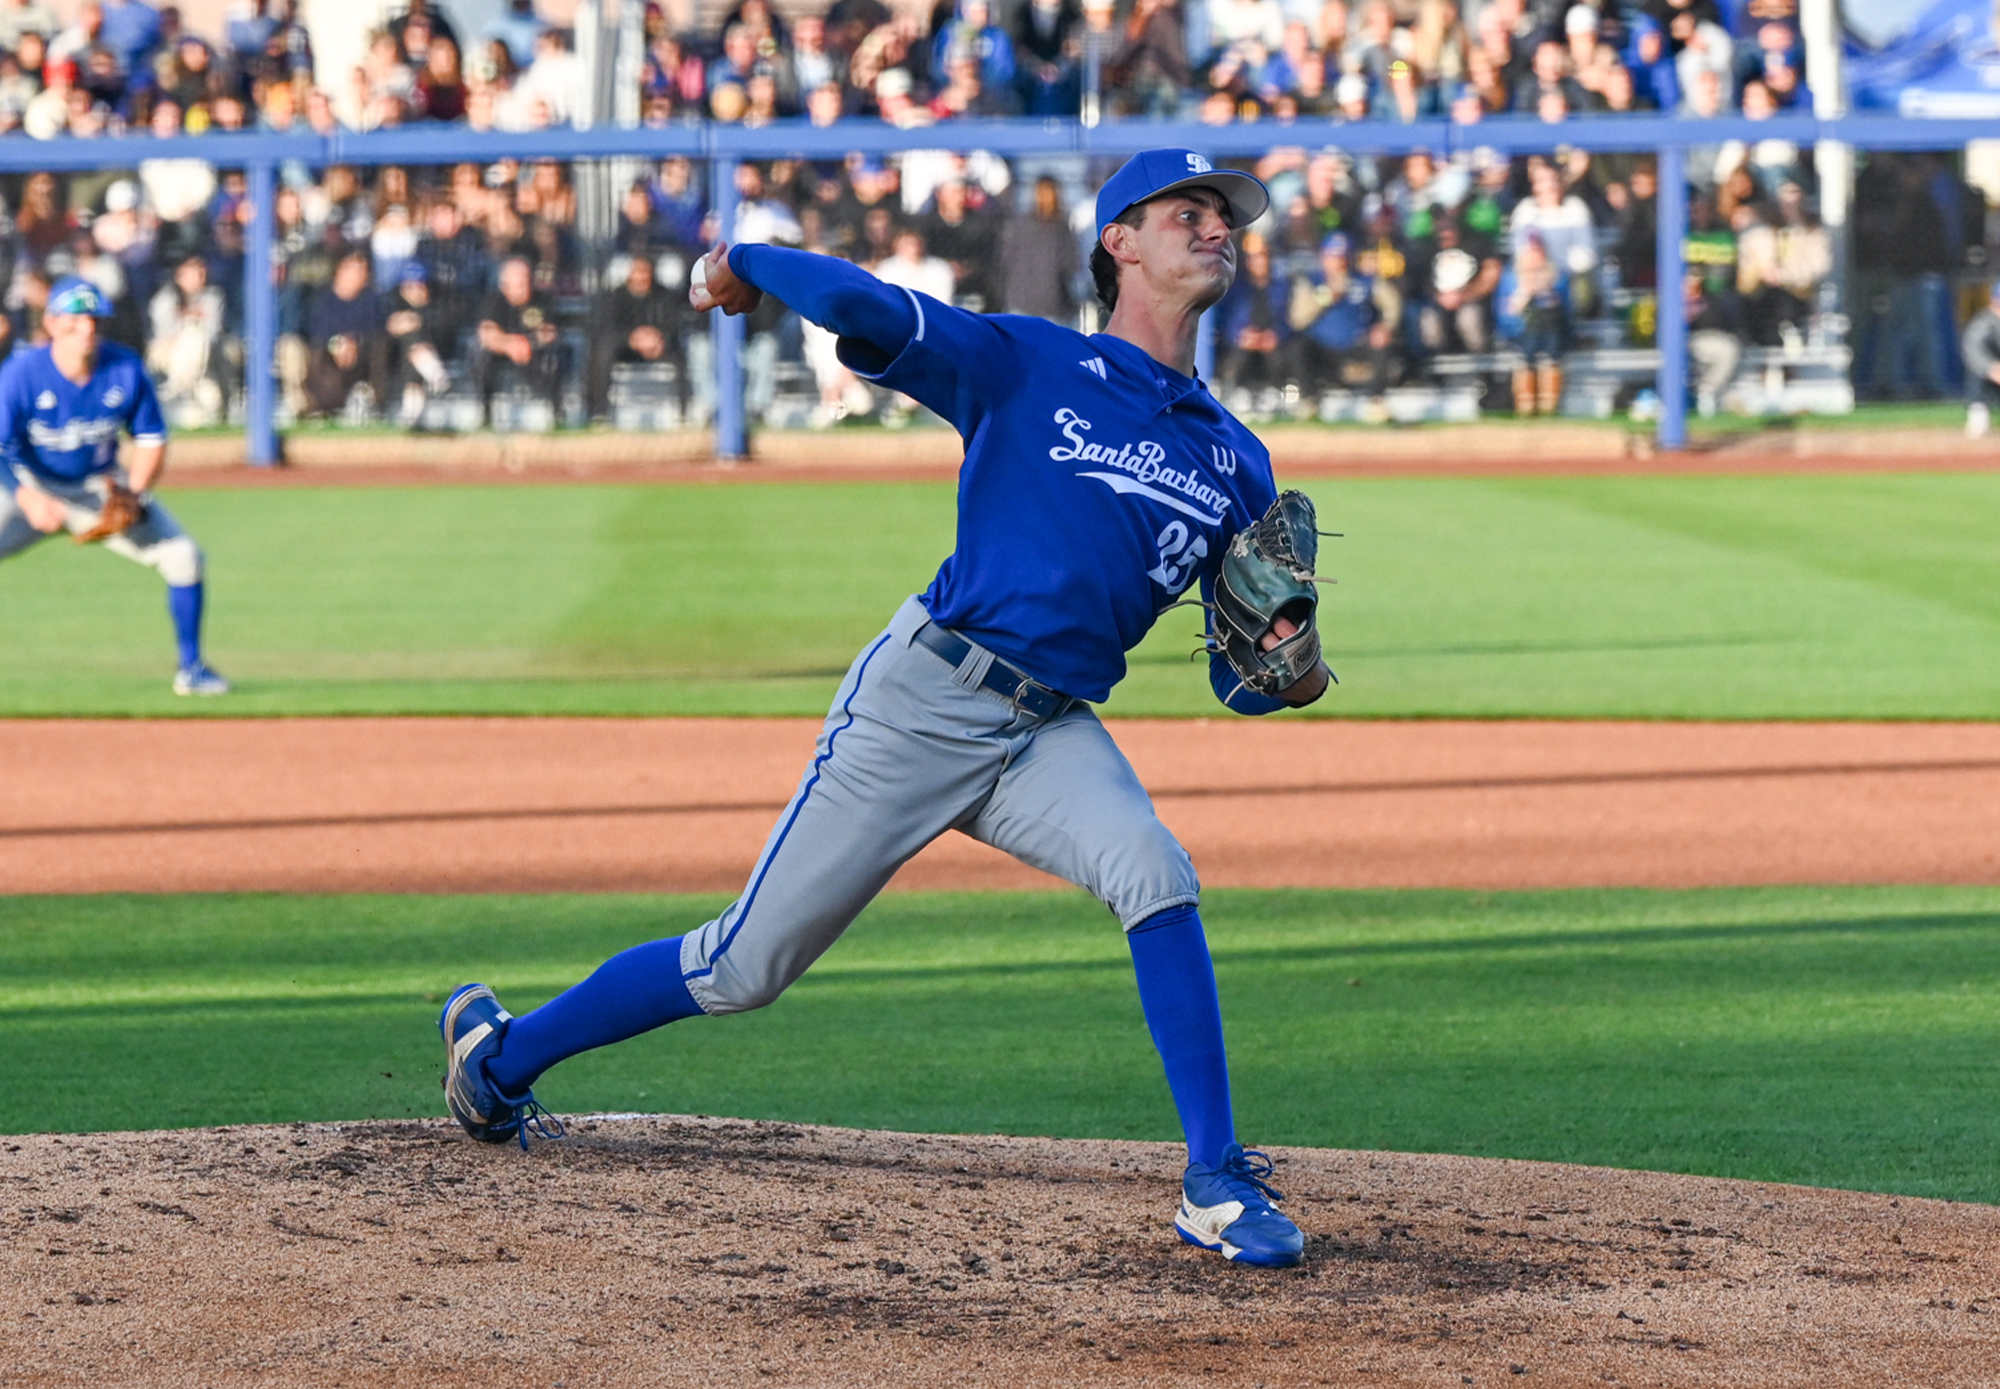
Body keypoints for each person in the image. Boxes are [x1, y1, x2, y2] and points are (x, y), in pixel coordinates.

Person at [438, 149, 1329, 1271]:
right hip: (924, 699)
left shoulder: (1235, 458)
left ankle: (1212, 1180)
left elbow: (1236, 680)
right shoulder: (1025, 362)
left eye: (1224, 215)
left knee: (1154, 872)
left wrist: (1289, 667)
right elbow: (862, 305)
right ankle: (500, 1060)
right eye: (1187, 211)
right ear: (1120, 242)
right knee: (740, 970)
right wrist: (744, 263)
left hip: (1045, 731)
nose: (1216, 228)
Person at [0, 276, 226, 695]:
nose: (86, 329)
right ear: (51, 322)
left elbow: (151, 438)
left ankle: (192, 669)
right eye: (75, 320)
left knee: (184, 558)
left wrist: (134, 493)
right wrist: (26, 496)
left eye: (93, 320)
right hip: (28, 485)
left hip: (100, 489)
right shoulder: (21, 374)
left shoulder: (123, 369)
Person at [1960, 280, 2000, 440]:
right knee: (1975, 370)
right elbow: (1972, 349)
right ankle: (1978, 414)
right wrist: (1991, 369)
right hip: (1990, 384)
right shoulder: (1984, 323)